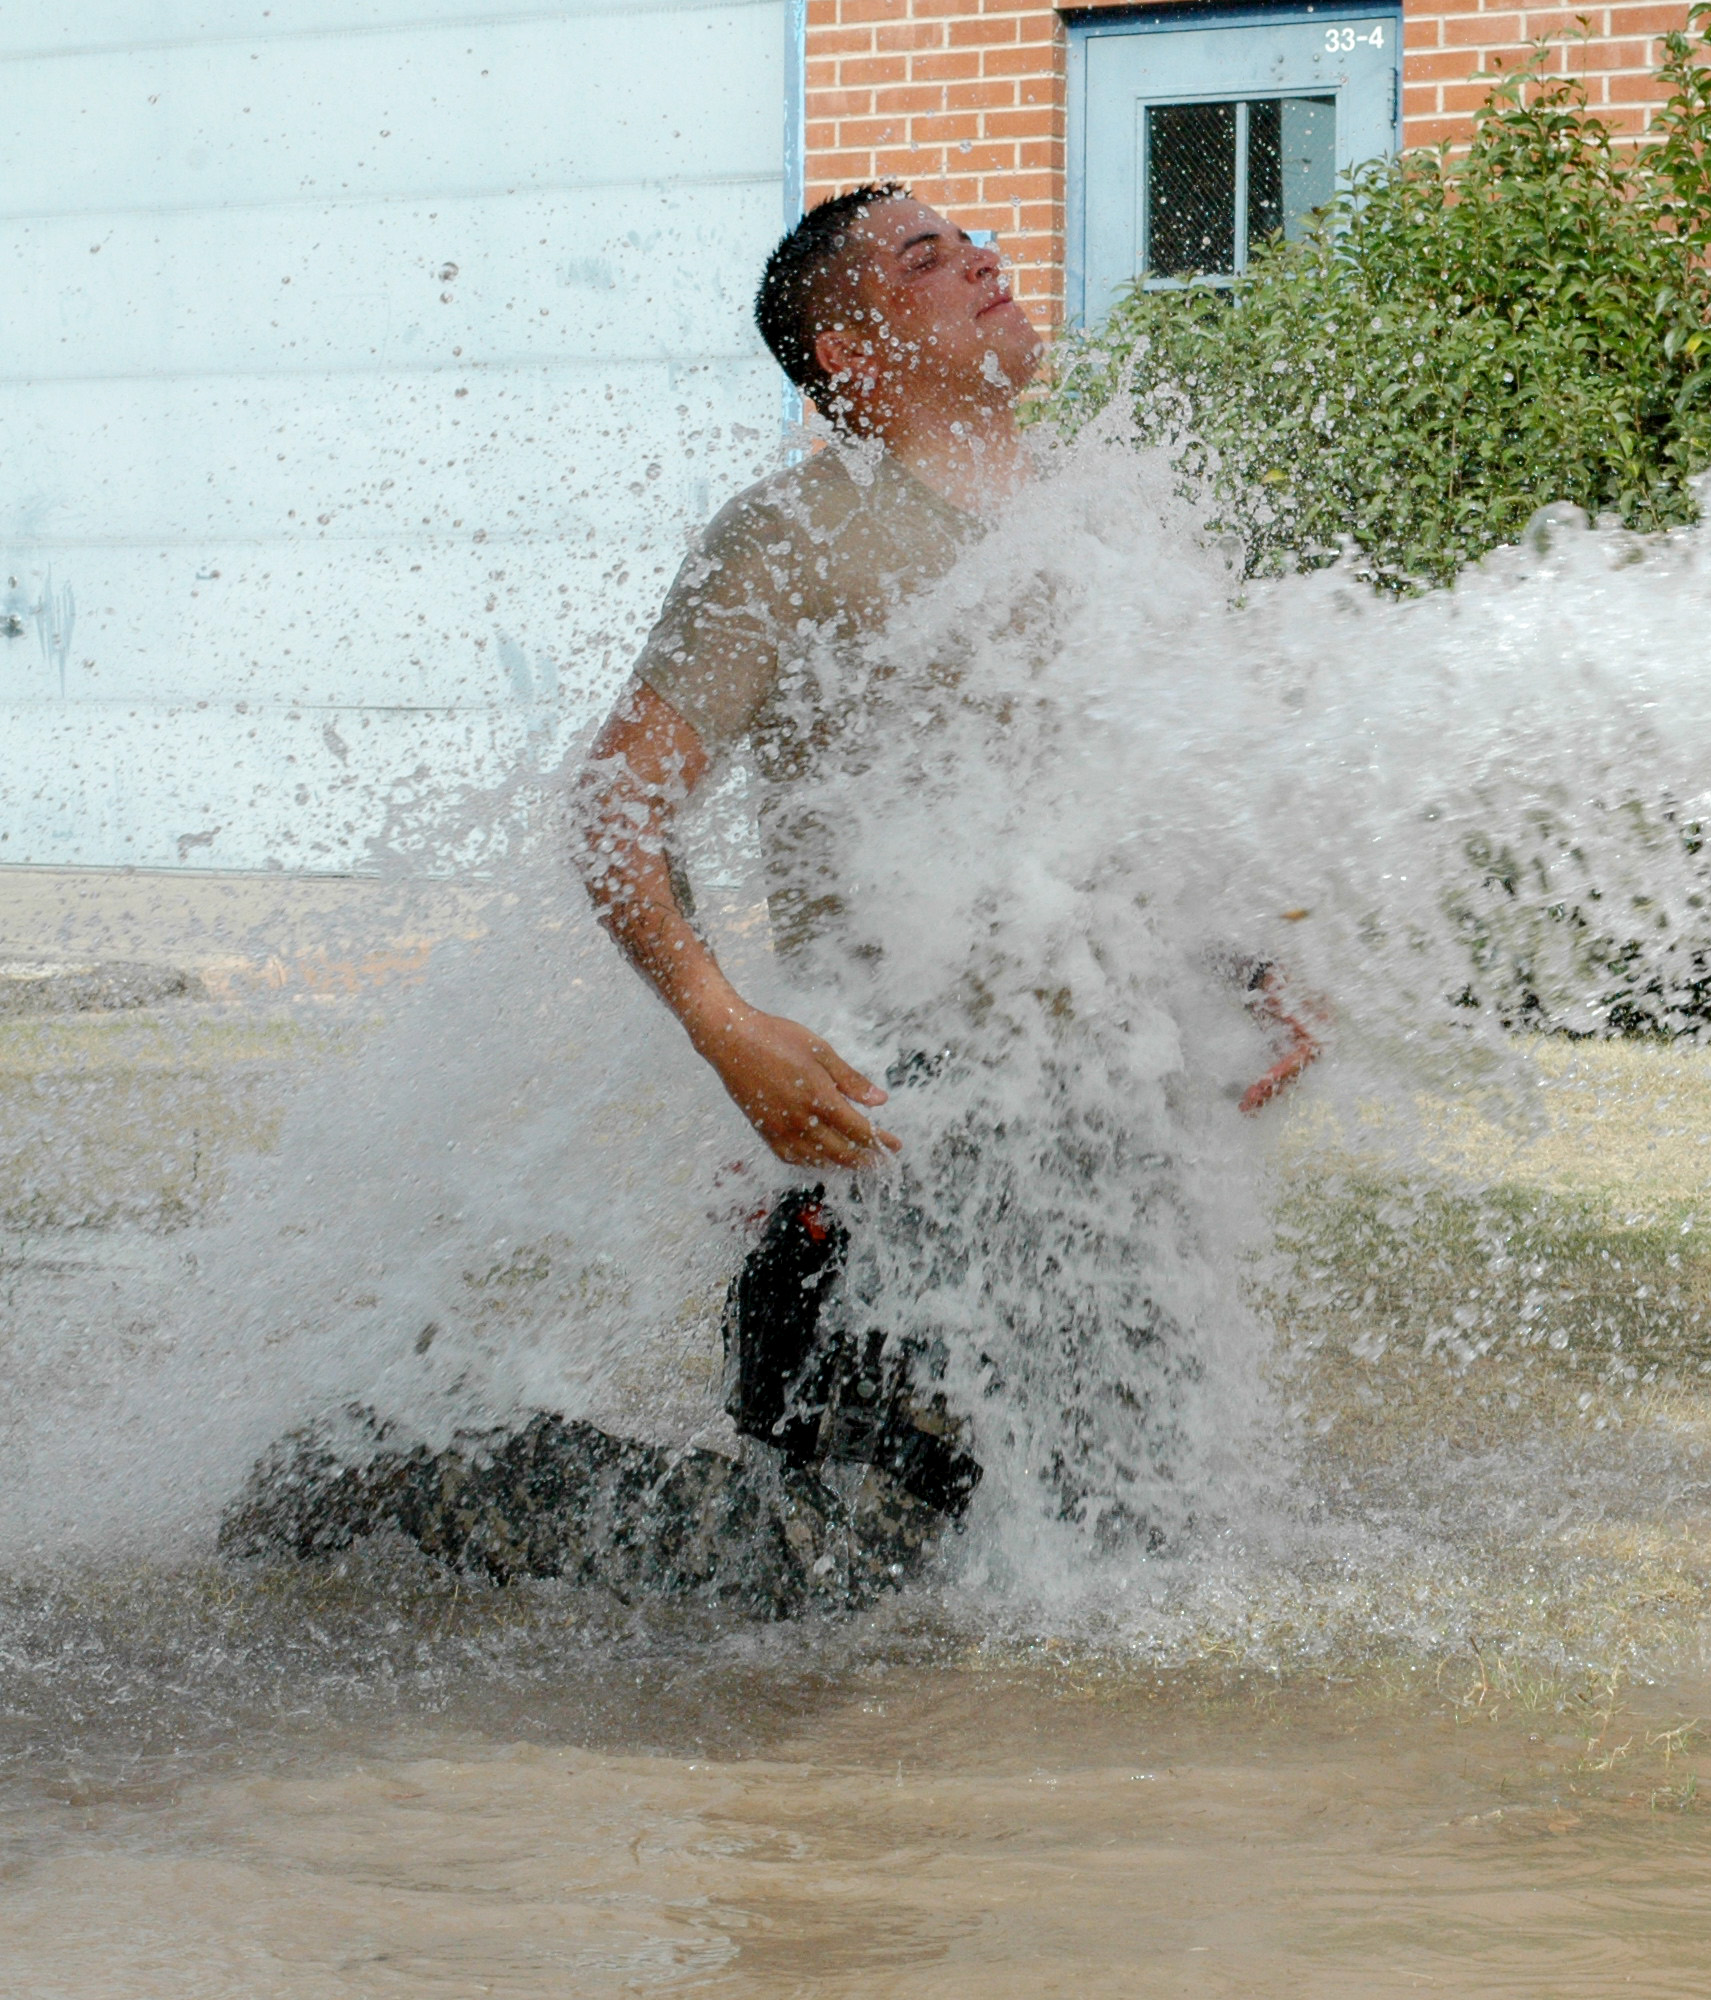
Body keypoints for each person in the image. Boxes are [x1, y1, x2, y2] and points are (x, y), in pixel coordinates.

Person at [220, 185, 1312, 1614]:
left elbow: (1128, 797)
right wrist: (722, 1024)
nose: (980, 257)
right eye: (924, 257)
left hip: (1108, 1124)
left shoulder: (1110, 526)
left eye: (970, 238)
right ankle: (409, 1464)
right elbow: (617, 800)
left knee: (1123, 1565)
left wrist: (1241, 975)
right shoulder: (797, 535)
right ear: (850, 357)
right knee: (829, 1579)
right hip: (896, 1130)